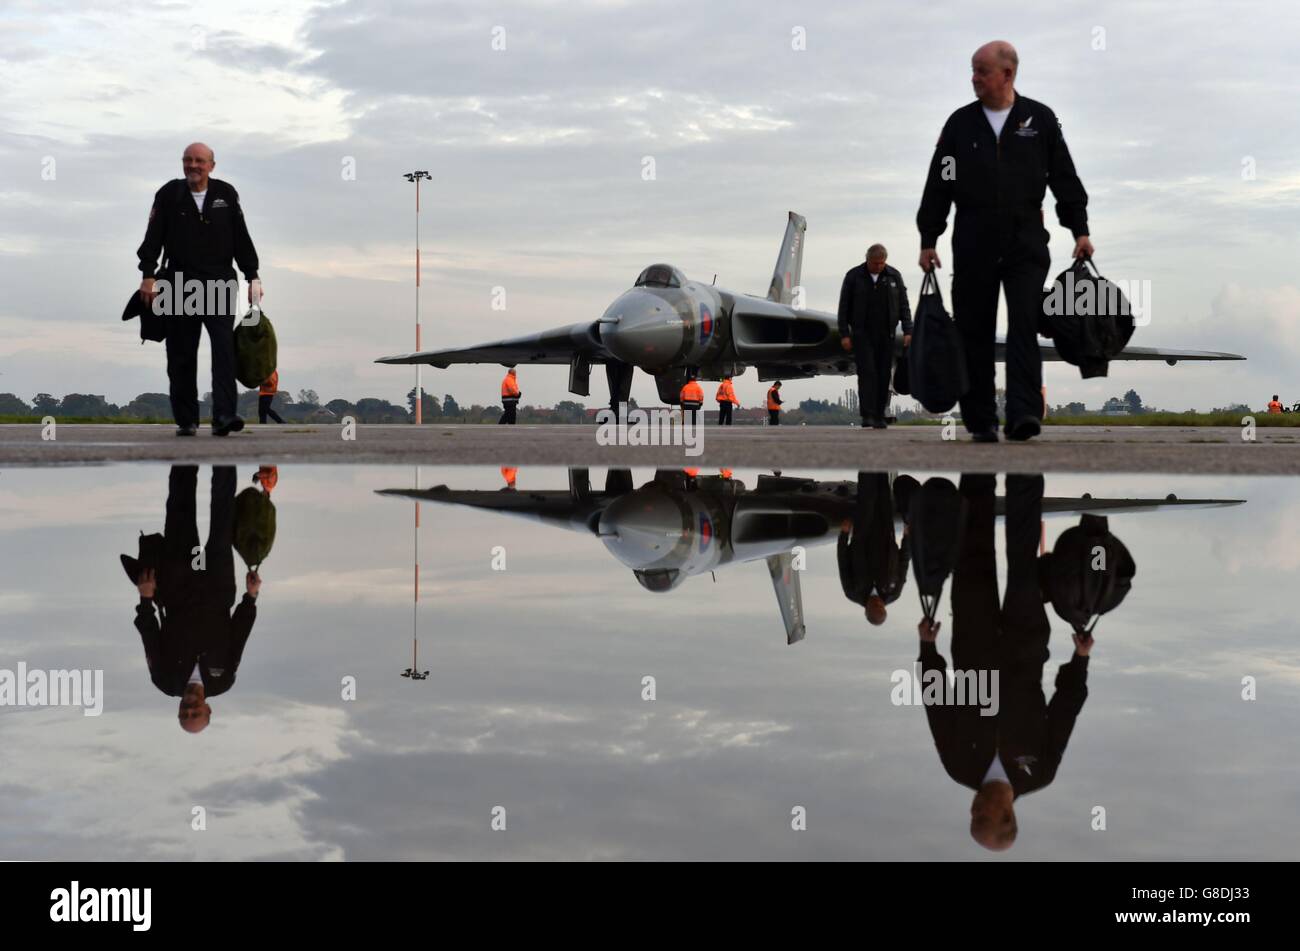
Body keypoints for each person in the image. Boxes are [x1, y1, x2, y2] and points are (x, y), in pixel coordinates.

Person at [917, 41, 1092, 443]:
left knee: (1024, 327)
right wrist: (930, 237)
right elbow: (940, 182)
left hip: (1026, 240)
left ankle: (1024, 414)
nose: (974, 78)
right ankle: (980, 419)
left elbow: (1064, 178)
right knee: (973, 332)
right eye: (972, 70)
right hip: (973, 239)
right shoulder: (959, 125)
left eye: (981, 71)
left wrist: (1079, 230)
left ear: (1007, 75)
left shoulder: (1041, 120)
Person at [916, 474, 1091, 850]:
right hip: (1025, 644)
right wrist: (1080, 660)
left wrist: (928, 650)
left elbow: (937, 706)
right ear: (1008, 817)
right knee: (1023, 556)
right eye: (982, 817)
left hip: (971, 639)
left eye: (972, 818)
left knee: (973, 555)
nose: (973, 811)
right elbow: (1064, 711)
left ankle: (978, 464)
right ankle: (1023, 467)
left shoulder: (958, 767)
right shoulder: (1040, 773)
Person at [137, 143, 262, 437]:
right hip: (179, 284)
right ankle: (186, 419)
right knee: (181, 354)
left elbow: (241, 238)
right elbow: (153, 237)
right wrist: (148, 275)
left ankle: (224, 416)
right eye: (188, 160)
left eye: (199, 161)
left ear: (211, 165)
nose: (193, 165)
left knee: (224, 351)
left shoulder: (226, 195)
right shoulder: (169, 194)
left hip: (219, 283)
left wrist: (252, 276)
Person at [122, 466, 259, 733]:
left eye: (184, 713)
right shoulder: (223, 680)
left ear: (178, 711)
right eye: (195, 713)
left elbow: (150, 634)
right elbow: (239, 635)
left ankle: (186, 451)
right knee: (223, 518)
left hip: (179, 585)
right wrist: (250, 598)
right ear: (208, 710)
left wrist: (146, 598)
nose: (189, 708)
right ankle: (224, 455)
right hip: (217, 587)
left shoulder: (164, 680)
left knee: (180, 511)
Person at [838, 245, 913, 429]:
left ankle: (880, 416)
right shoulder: (854, 276)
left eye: (882, 263)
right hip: (862, 334)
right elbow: (844, 306)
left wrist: (908, 330)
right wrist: (844, 334)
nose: (879, 266)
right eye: (875, 263)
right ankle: (867, 415)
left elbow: (903, 304)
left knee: (883, 374)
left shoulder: (893, 276)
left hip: (886, 334)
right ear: (868, 260)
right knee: (867, 374)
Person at [838, 472, 910, 624]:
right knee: (883, 489)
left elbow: (843, 562)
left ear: (866, 610)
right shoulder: (894, 593)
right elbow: (903, 563)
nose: (879, 603)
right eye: (882, 607)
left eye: (875, 606)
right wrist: (907, 538)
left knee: (868, 494)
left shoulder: (852, 592)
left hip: (863, 534)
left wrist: (844, 535)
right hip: (885, 533)